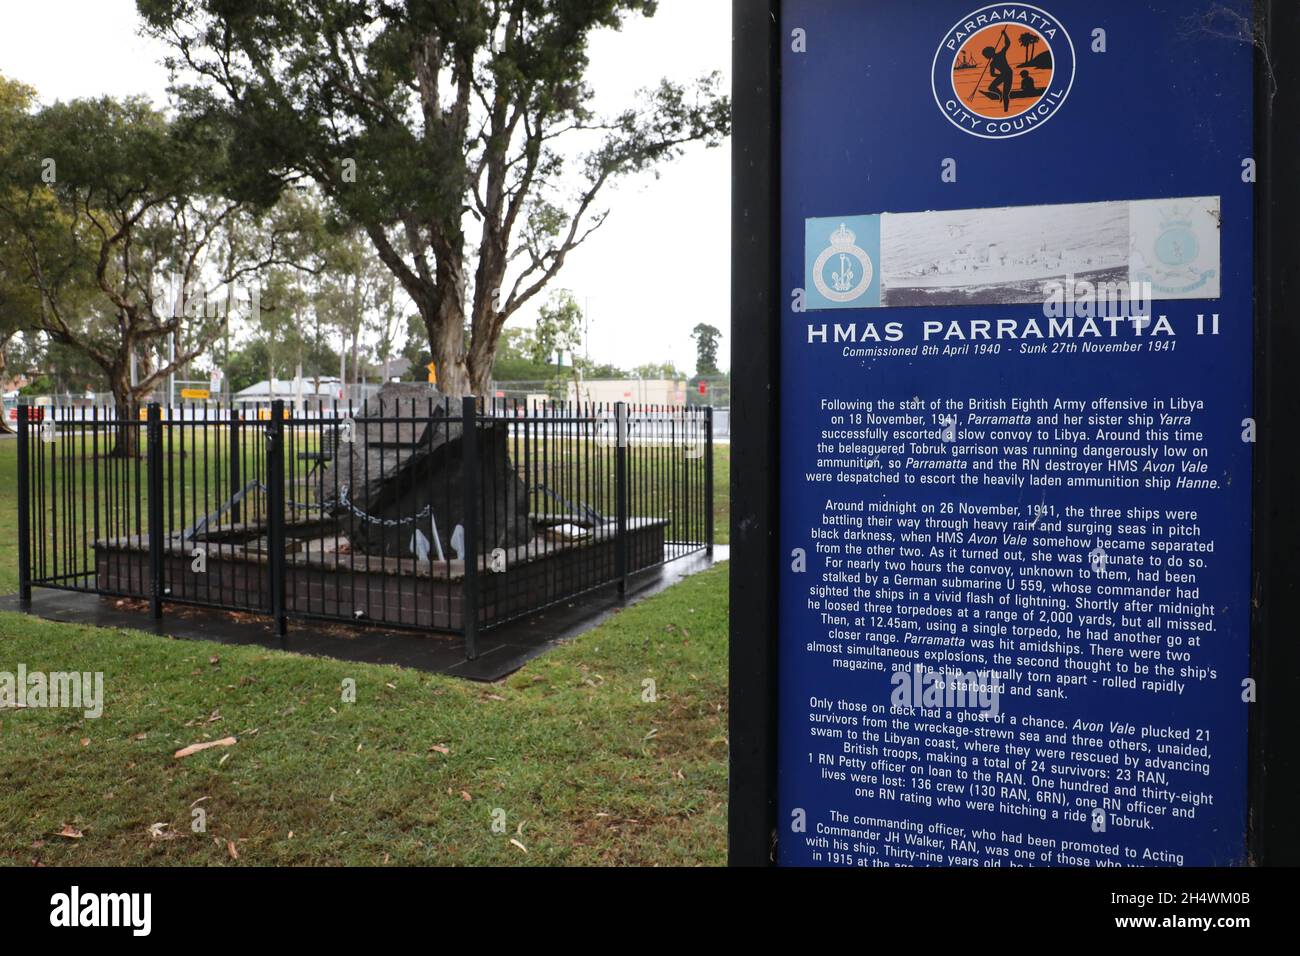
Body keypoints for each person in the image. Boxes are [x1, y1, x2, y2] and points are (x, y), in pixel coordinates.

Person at [983, 32, 1013, 112]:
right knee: (991, 87)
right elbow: (992, 74)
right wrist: (999, 76)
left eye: (986, 55)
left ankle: (1006, 110)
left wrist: (1005, 34)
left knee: (1006, 94)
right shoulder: (992, 63)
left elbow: (1008, 44)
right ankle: (1000, 94)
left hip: (1008, 73)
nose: (986, 57)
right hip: (1003, 74)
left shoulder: (1001, 54)